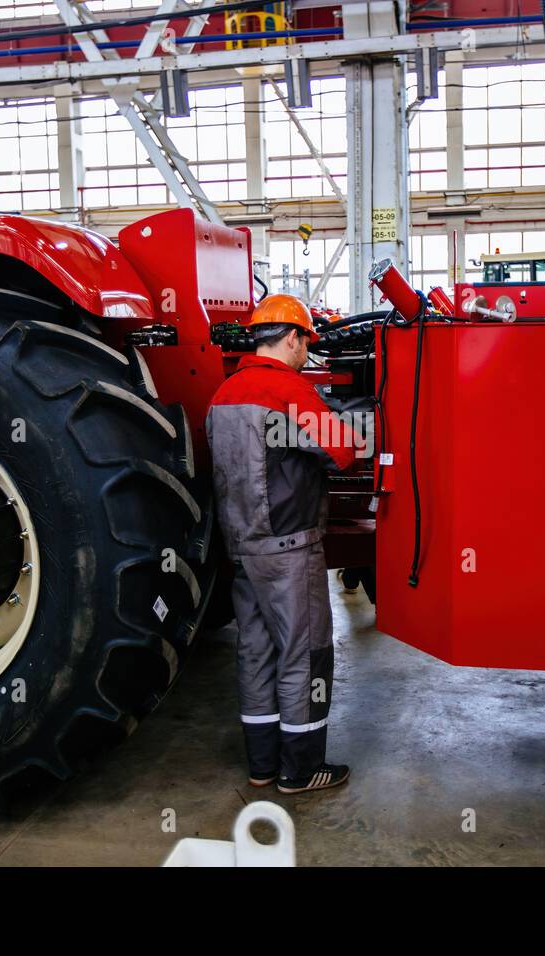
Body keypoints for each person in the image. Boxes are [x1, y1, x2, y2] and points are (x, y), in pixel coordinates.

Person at [206, 294, 358, 794]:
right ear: (293, 338)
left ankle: (263, 765)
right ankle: (301, 769)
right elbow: (343, 450)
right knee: (304, 655)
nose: (305, 353)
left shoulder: (224, 394)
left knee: (256, 653)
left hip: (242, 549)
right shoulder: (287, 392)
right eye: (305, 343)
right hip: (290, 550)